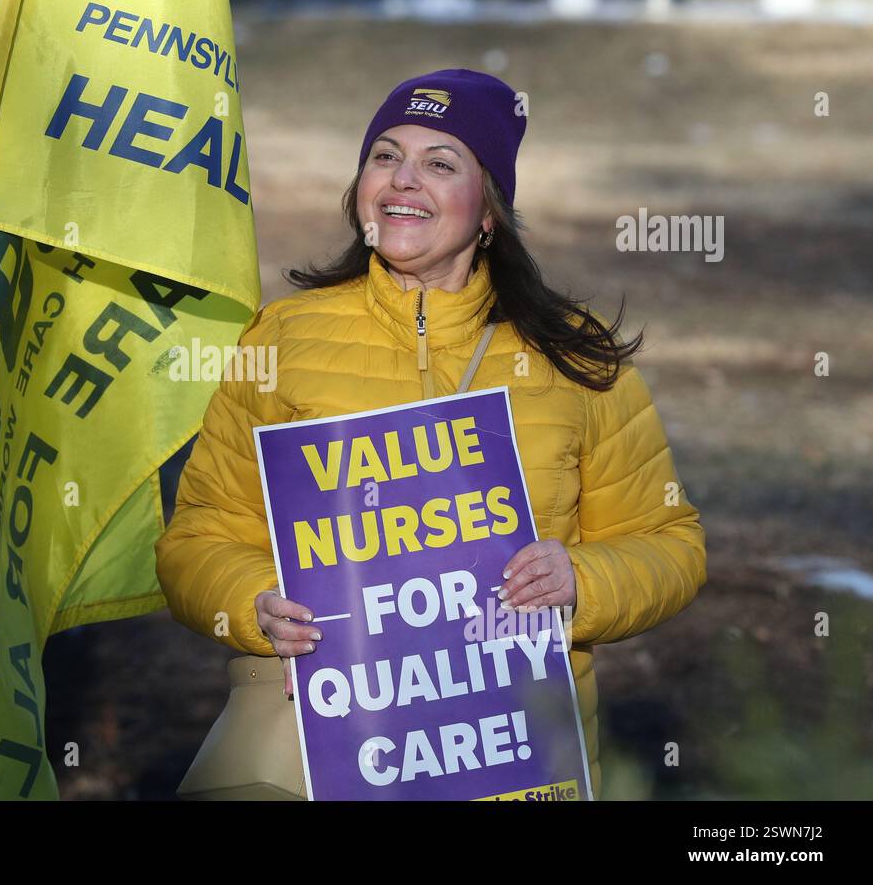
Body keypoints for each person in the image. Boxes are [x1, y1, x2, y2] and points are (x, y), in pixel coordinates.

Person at [155, 68, 707, 797]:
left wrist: (584, 580)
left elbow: (671, 543)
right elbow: (197, 538)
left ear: (489, 212)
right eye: (384, 156)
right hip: (328, 746)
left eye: (440, 164)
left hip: (514, 750)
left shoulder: (572, 356)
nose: (401, 181)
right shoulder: (282, 341)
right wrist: (256, 602)